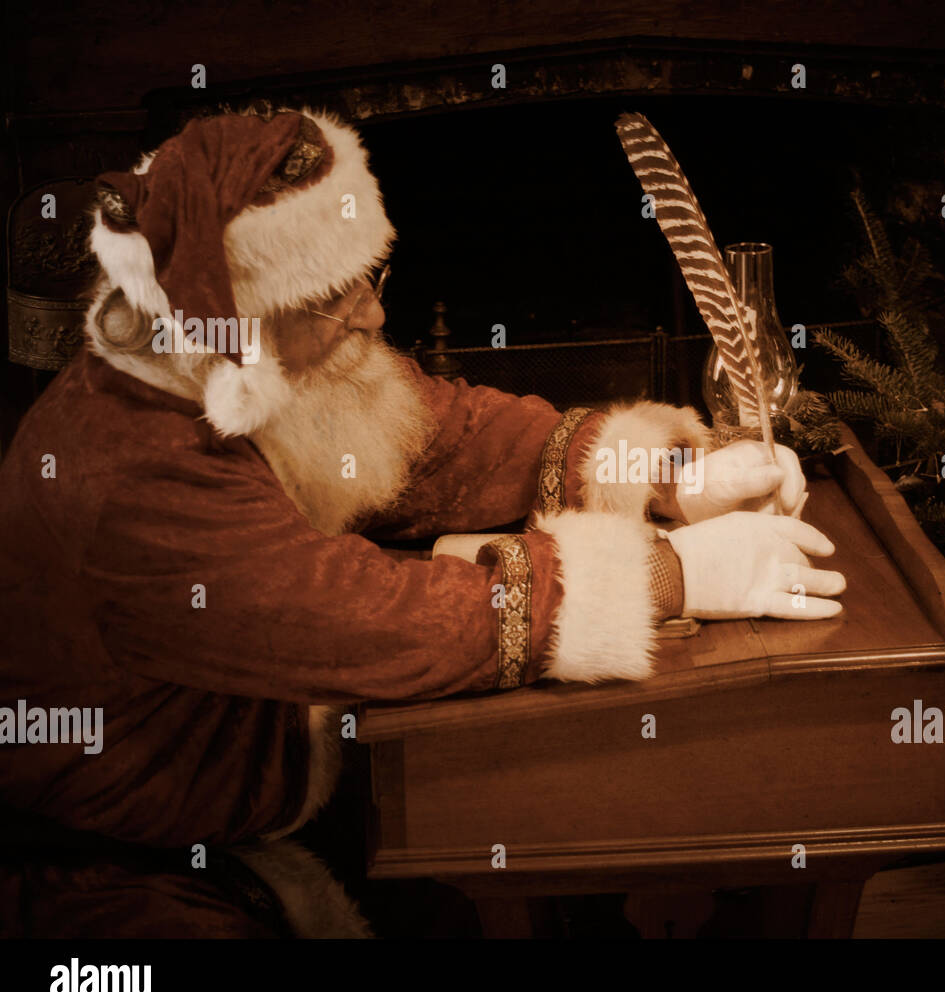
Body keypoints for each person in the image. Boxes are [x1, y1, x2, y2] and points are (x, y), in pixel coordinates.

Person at [0, 105, 846, 937]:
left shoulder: (246, 362)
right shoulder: (133, 472)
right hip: (126, 876)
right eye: (333, 298)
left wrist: (668, 477)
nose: (369, 315)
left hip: (275, 794)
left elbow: (447, 439)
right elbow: (367, 618)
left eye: (372, 278)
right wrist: (677, 573)